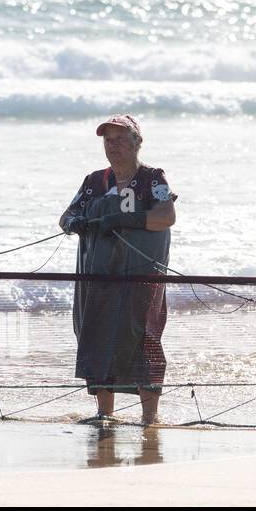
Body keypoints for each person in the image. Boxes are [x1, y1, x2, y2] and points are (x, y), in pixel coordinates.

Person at [59, 115, 177, 425]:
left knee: (143, 337)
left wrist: (127, 220)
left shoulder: (153, 178)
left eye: (121, 139)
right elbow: (66, 216)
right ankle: (104, 414)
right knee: (95, 335)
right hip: (97, 276)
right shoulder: (95, 181)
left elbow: (166, 216)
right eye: (108, 140)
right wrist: (76, 223)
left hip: (141, 275)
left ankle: (150, 418)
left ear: (138, 142)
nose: (113, 146)